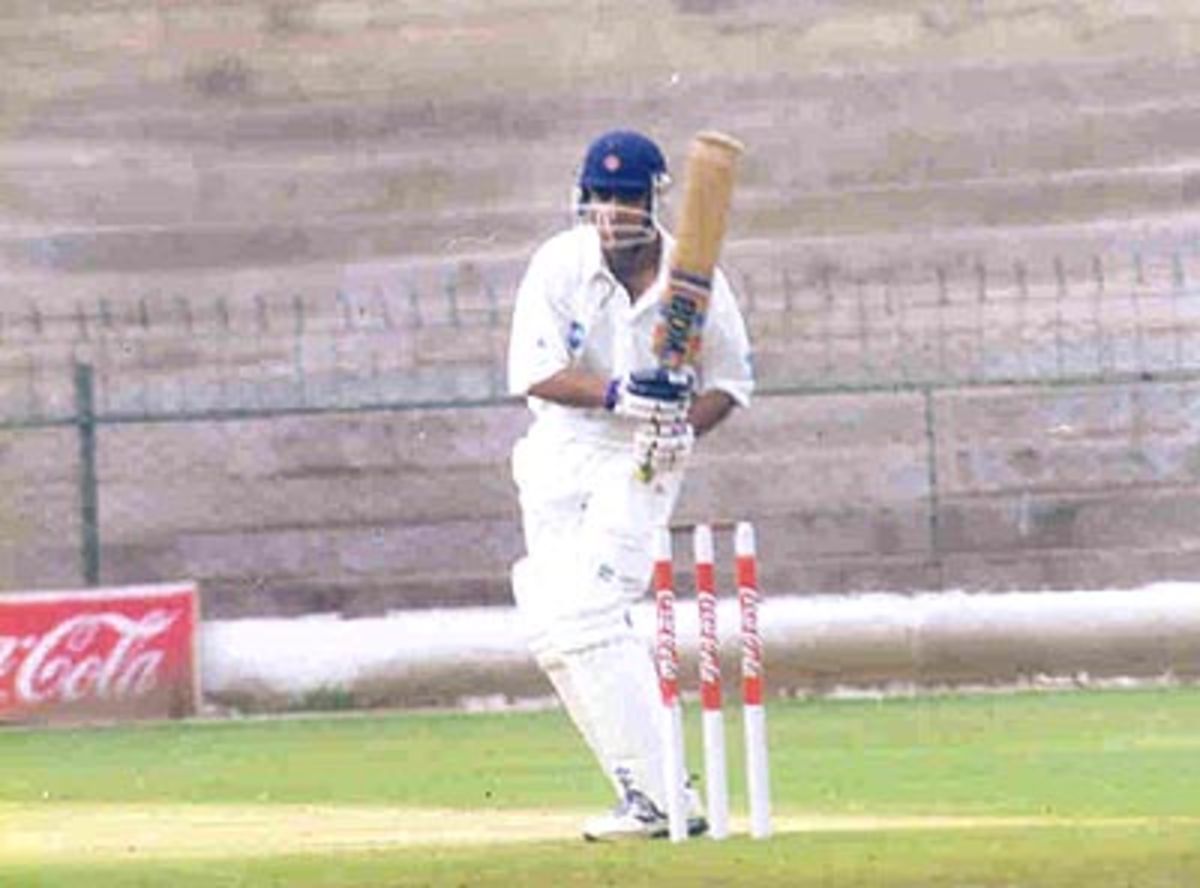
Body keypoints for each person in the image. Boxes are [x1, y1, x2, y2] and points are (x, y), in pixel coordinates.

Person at [506, 129, 754, 841]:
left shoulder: (696, 279)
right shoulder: (558, 264)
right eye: (602, 198)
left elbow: (730, 385)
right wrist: (619, 393)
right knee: (554, 629)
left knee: (588, 614)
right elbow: (535, 373)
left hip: (643, 457)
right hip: (563, 448)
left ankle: (672, 798)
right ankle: (642, 794)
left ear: (653, 200)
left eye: (627, 198)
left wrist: (683, 427)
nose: (613, 212)